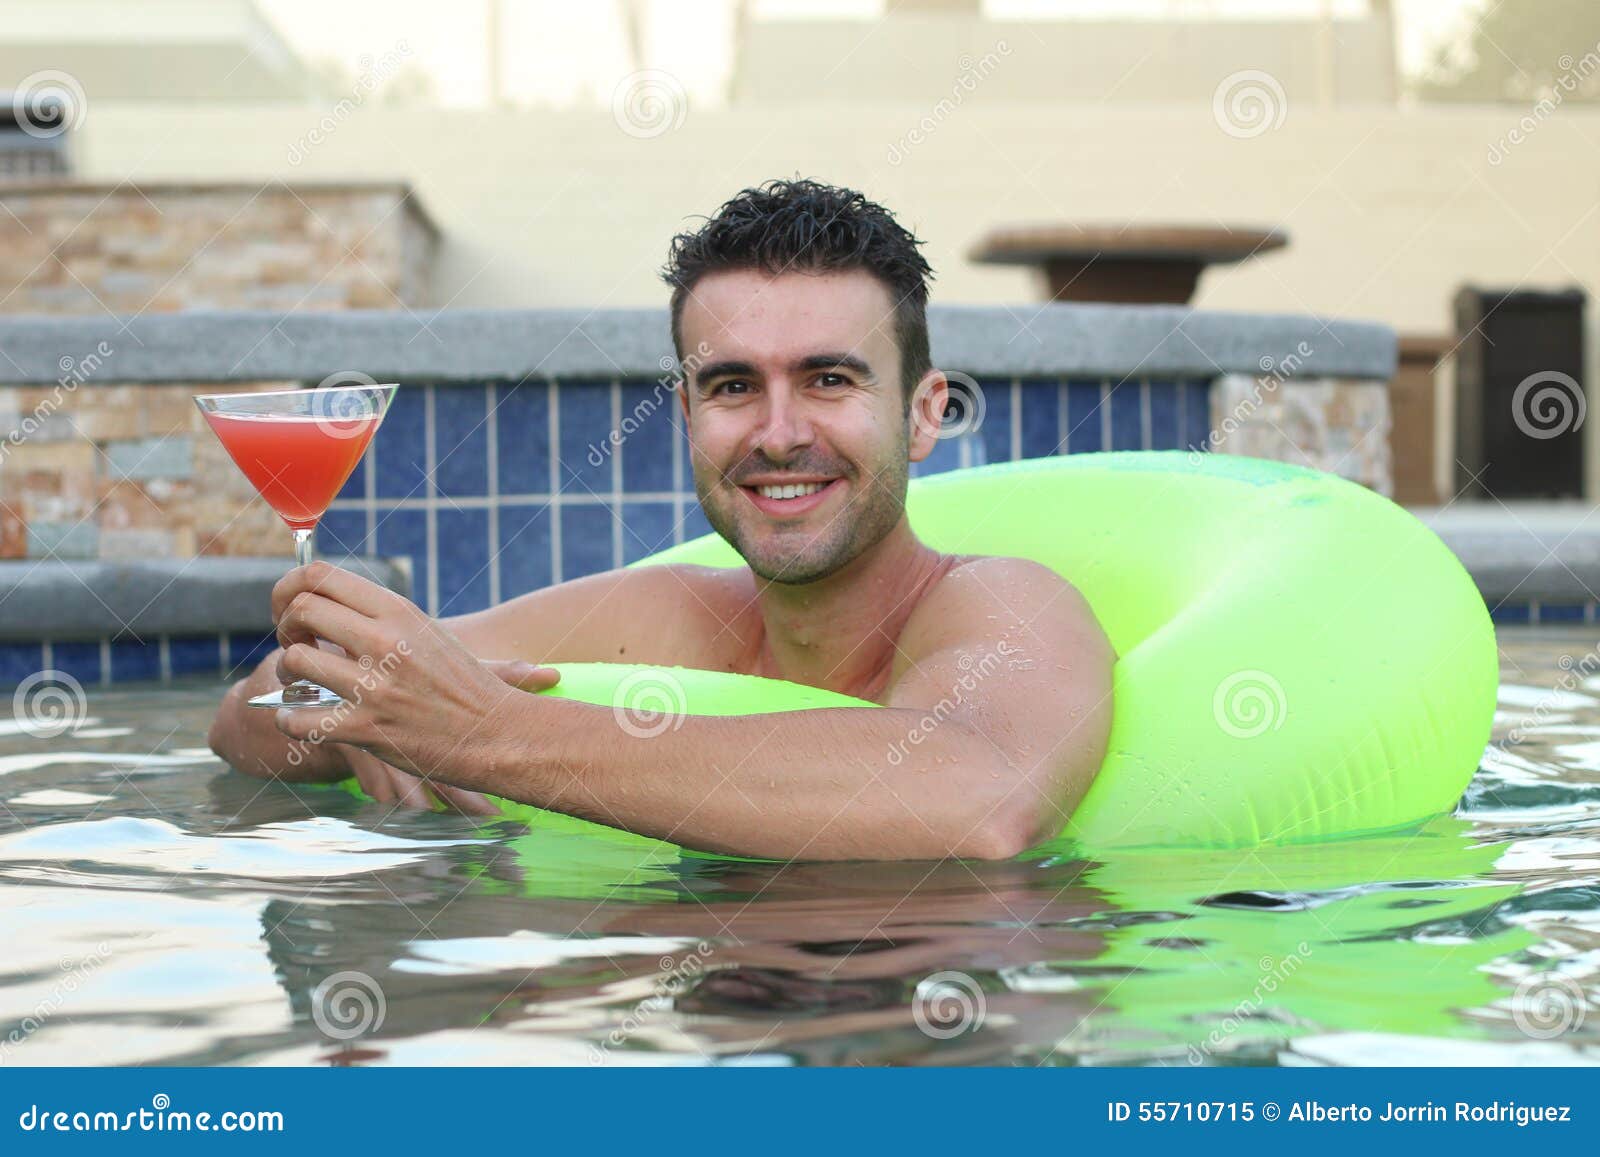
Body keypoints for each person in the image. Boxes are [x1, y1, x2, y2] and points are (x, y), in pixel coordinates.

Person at [207, 178, 1115, 861]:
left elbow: (983, 799)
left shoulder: (1005, 604)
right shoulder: (668, 617)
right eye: (733, 386)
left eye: (829, 379)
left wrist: (482, 734)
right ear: (687, 415)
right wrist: (366, 716)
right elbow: (239, 719)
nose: (779, 434)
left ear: (922, 414)